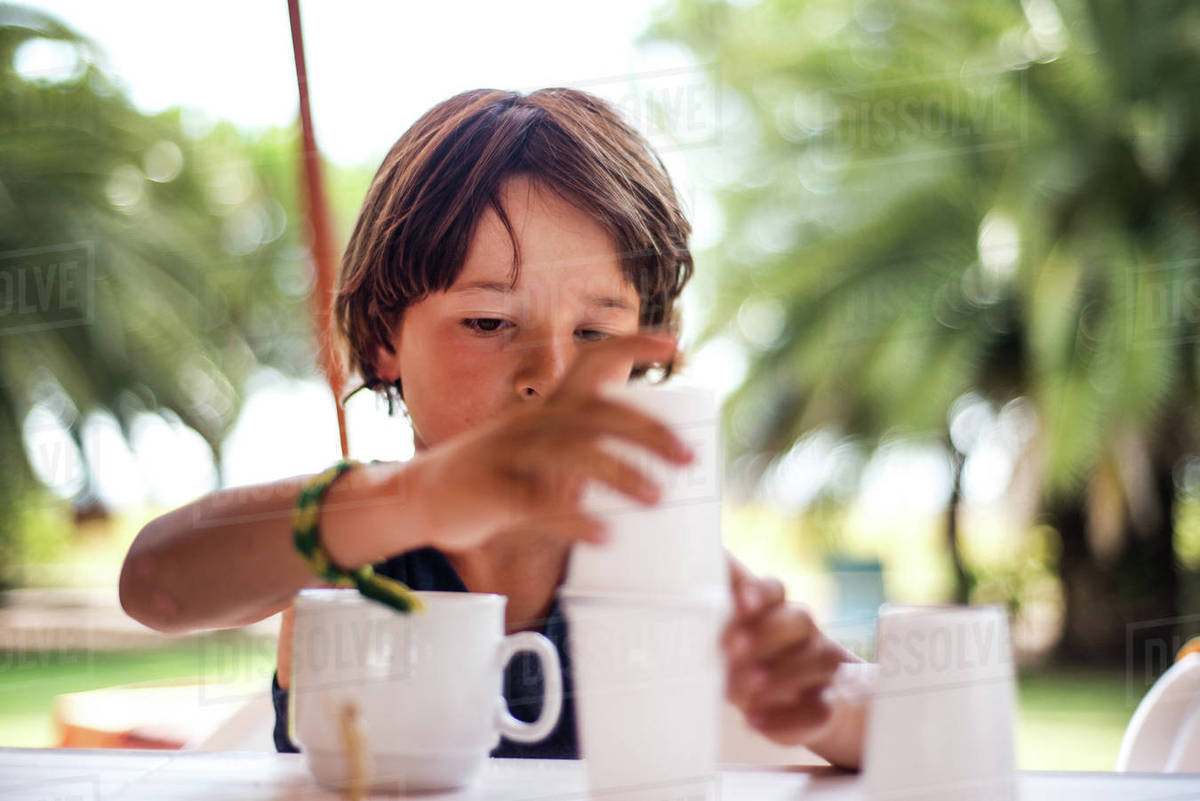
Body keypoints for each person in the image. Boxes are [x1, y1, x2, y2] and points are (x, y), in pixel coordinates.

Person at [119, 87, 866, 768]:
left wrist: (817, 703)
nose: (548, 372)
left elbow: (879, 724)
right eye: (487, 321)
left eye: (596, 335)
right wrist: (415, 498)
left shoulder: (656, 563)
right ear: (384, 340)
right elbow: (154, 582)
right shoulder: (353, 542)